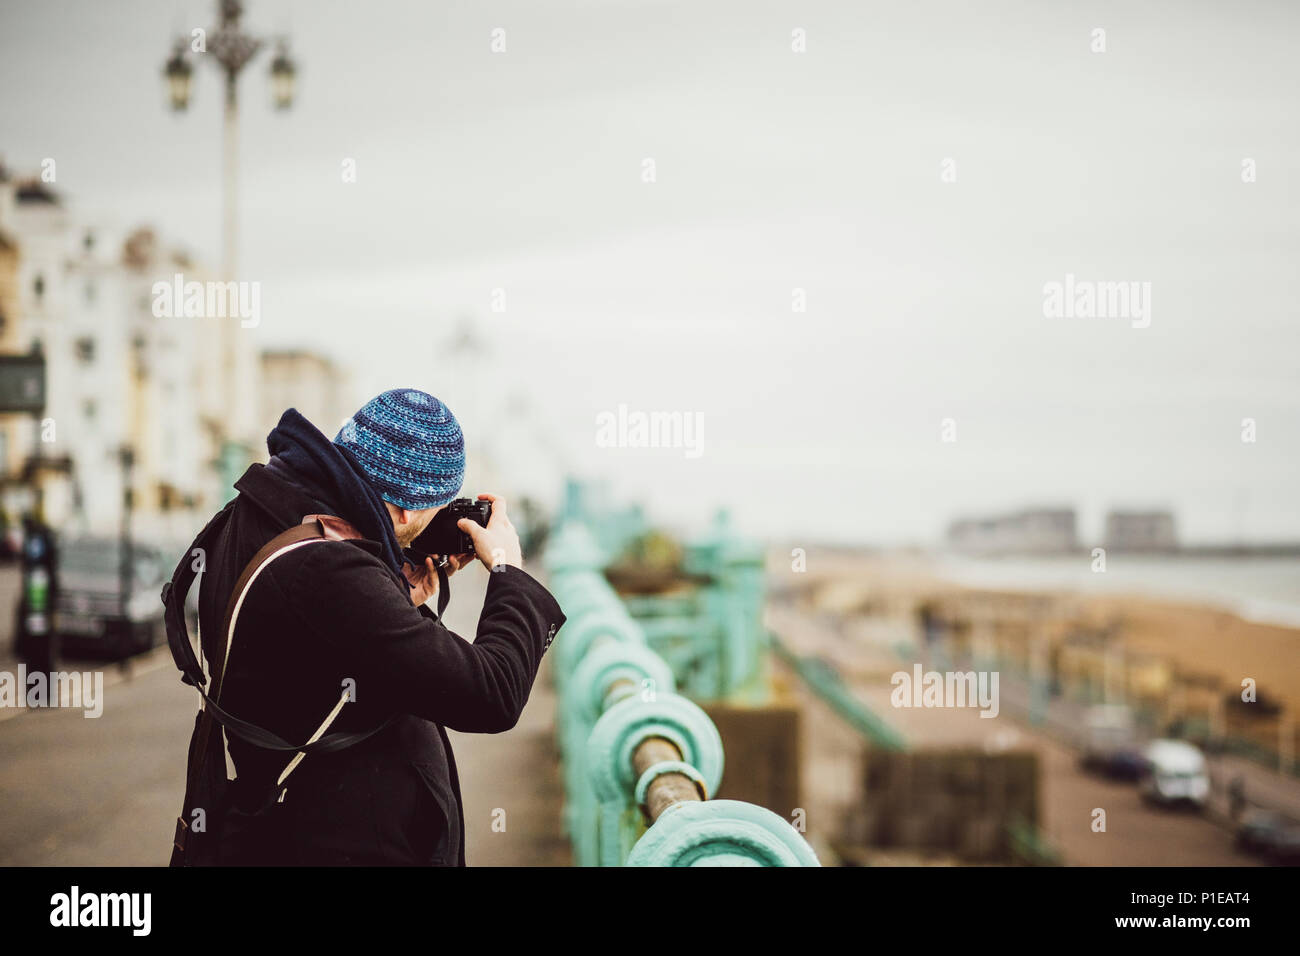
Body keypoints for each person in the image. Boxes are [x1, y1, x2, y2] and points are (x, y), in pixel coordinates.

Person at [179, 388, 564, 865]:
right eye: (433, 510)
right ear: (405, 509)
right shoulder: (332, 569)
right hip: (345, 840)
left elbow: (314, 649)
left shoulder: (261, 513)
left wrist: (397, 595)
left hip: (291, 825)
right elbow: (492, 692)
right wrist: (510, 570)